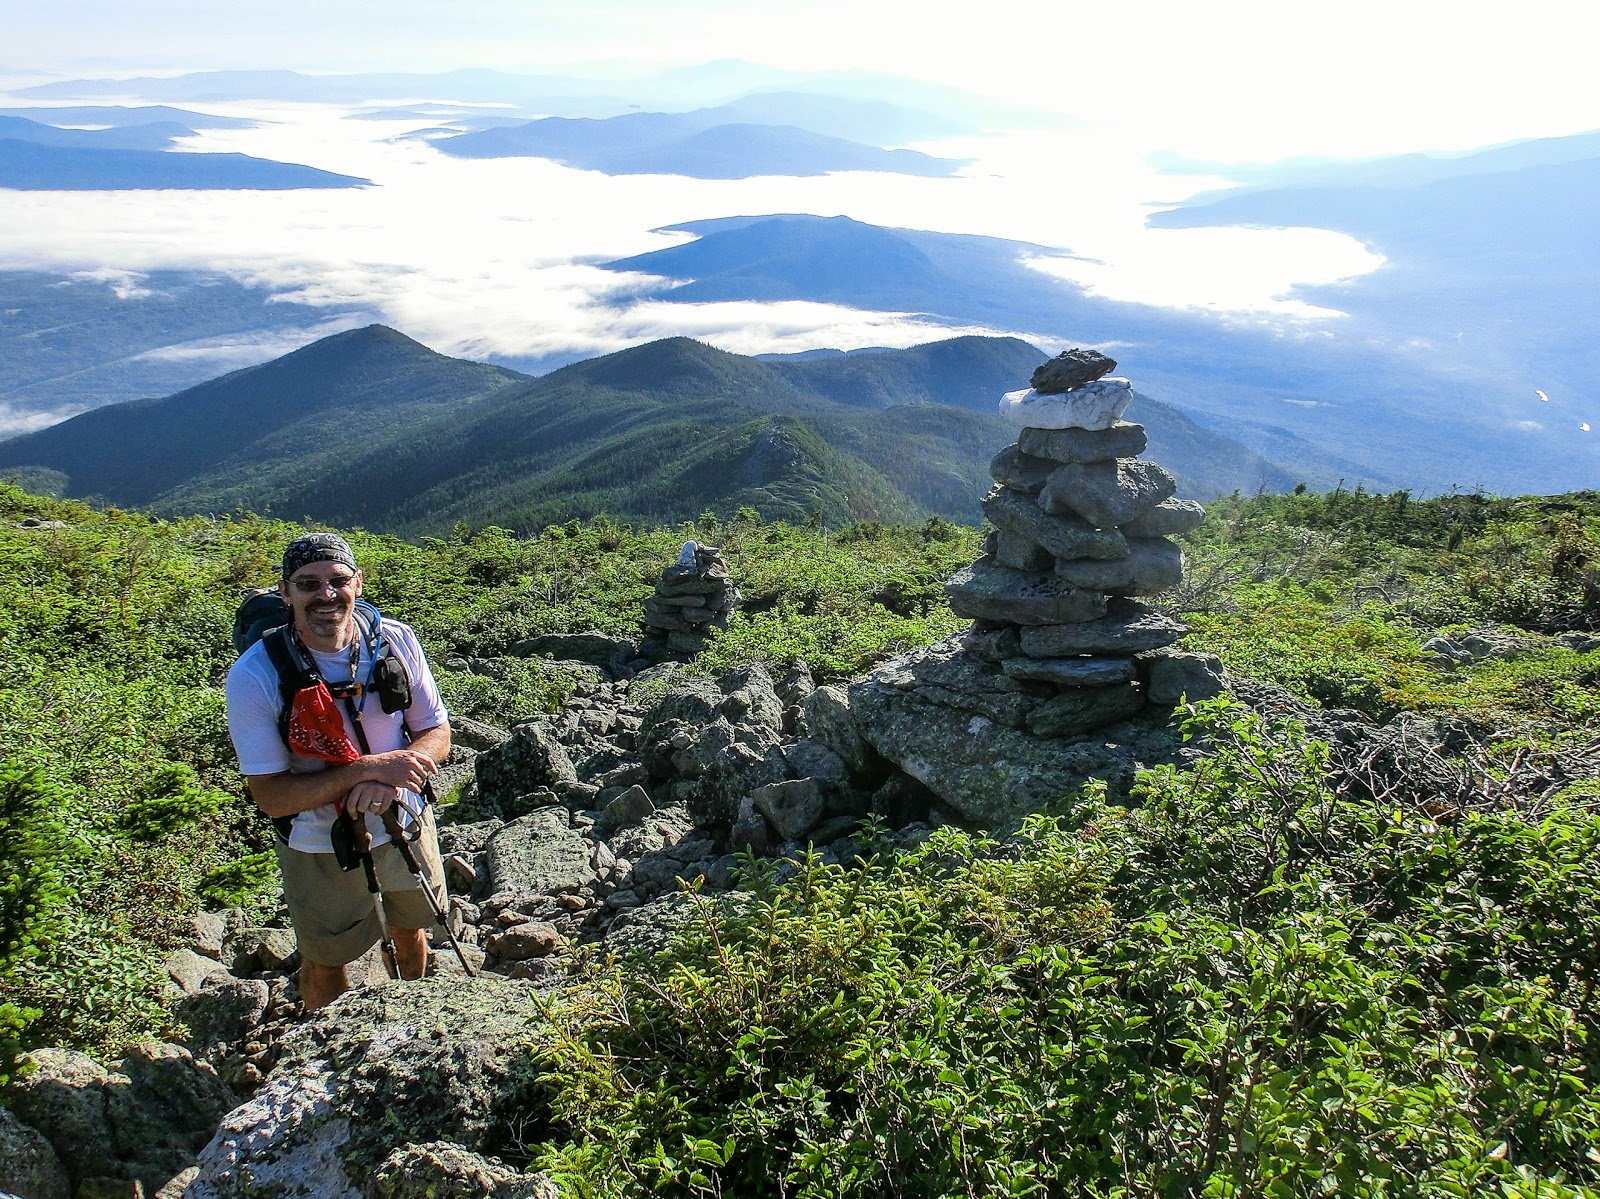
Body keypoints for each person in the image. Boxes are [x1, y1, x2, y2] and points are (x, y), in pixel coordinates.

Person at [225, 532, 452, 1011]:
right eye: (308, 584)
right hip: (319, 844)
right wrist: (366, 771)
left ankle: (414, 1016)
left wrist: (381, 779)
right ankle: (325, 1051)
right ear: (285, 593)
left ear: (359, 584)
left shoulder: (394, 640)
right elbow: (272, 797)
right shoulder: (255, 675)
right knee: (326, 960)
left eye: (338, 580)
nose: (326, 595)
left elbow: (436, 733)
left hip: (405, 821)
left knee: (409, 924)